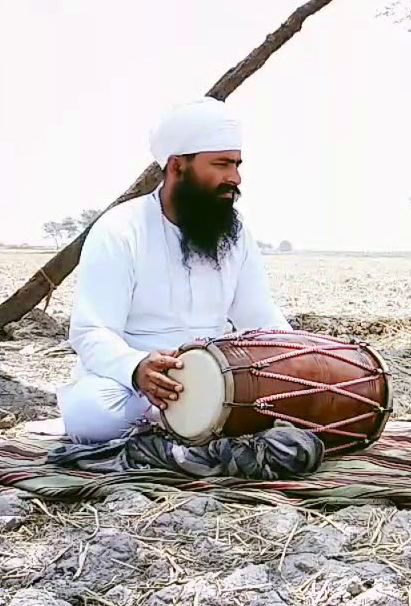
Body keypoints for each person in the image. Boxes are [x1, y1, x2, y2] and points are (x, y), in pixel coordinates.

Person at [56, 97, 291, 443]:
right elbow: (92, 332)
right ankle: (192, 426)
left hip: (218, 379)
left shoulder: (236, 233)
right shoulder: (121, 229)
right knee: (92, 415)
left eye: (237, 165)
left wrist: (305, 358)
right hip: (136, 387)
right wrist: (137, 369)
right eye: (222, 165)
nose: (235, 178)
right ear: (177, 166)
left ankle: (194, 424)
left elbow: (260, 319)